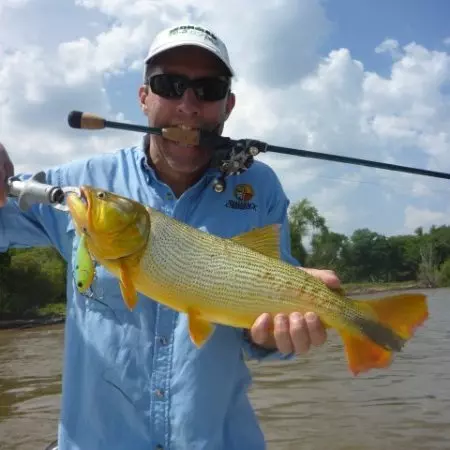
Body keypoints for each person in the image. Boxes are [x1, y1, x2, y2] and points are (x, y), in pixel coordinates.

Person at [0, 24, 340, 450]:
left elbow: (262, 329)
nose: (188, 105)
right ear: (144, 97)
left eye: (208, 88)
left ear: (228, 106)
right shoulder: (78, 186)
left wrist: (273, 335)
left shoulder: (261, 188)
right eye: (170, 85)